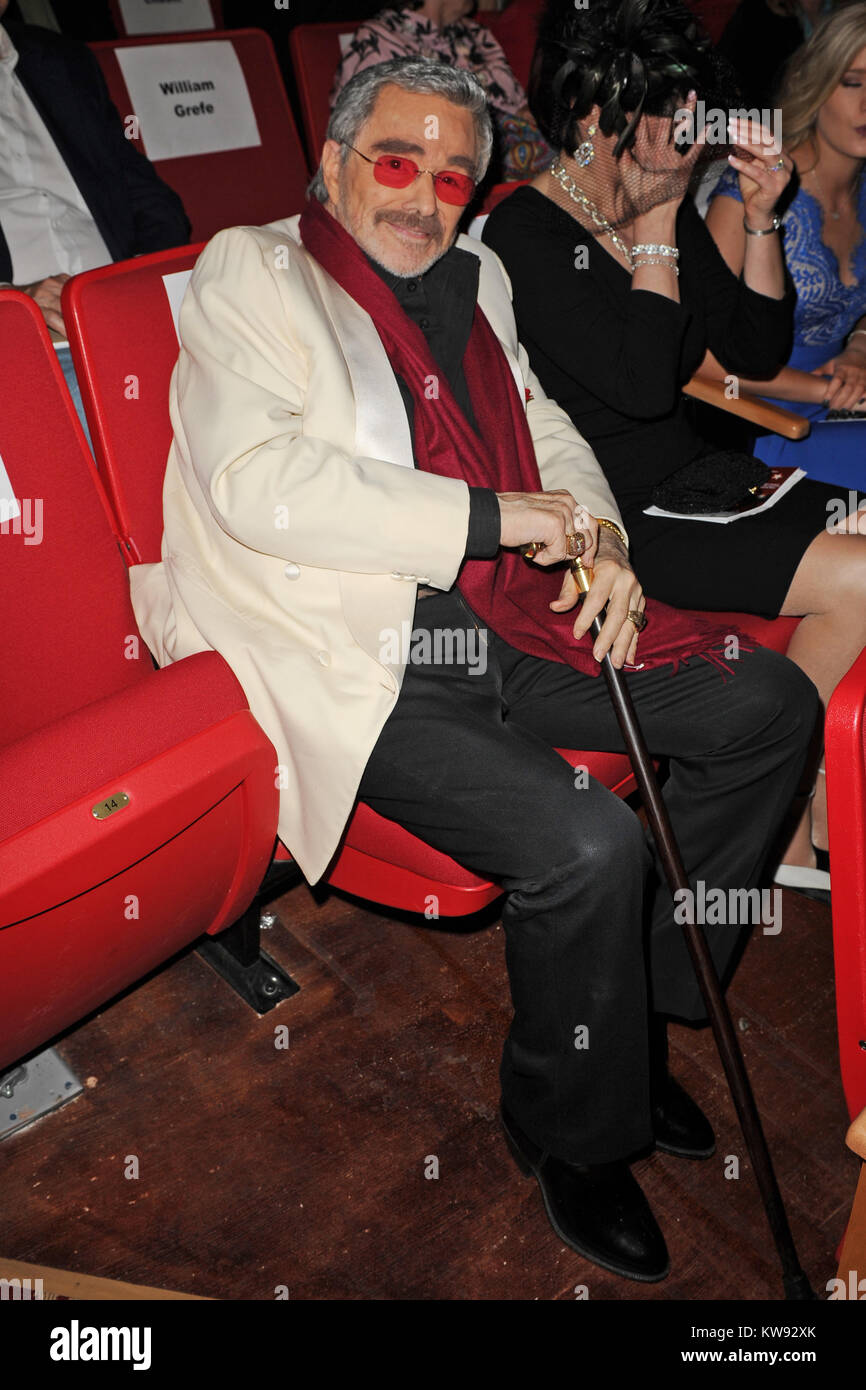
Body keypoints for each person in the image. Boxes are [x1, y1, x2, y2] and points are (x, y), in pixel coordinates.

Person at [129, 58, 818, 1284]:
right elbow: (259, 486)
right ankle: (569, 1126)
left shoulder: (480, 273)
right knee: (585, 847)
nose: (424, 196)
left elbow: (547, 426)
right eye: (395, 162)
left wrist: (596, 536)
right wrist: (499, 519)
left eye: (452, 173)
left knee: (766, 702)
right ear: (335, 164)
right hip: (364, 653)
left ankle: (639, 1016)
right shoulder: (253, 271)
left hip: (505, 621)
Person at [483, 0, 866, 901]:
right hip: (622, 518)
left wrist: (767, 218)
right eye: (667, 118)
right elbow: (643, 384)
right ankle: (764, 814)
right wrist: (656, 231)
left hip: (708, 480)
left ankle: (802, 802)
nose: (687, 140)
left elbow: (753, 346)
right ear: (593, 115)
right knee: (861, 576)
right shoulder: (525, 233)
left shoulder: (654, 195)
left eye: (694, 115)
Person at [0, 1, 190, 429]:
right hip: (24, 335)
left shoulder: (61, 60)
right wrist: (11, 300)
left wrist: (128, 289)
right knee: (123, 429)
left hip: (115, 310)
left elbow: (154, 205)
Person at [707, 4, 866, 490]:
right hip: (760, 423)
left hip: (846, 412)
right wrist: (827, 390)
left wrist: (860, 348)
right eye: (853, 83)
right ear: (816, 87)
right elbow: (701, 361)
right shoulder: (751, 190)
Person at [331, 1, 551, 181]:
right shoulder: (379, 39)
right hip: (438, 163)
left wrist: (528, 114)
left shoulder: (475, 33)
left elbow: (518, 102)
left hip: (517, 151)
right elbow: (362, 134)